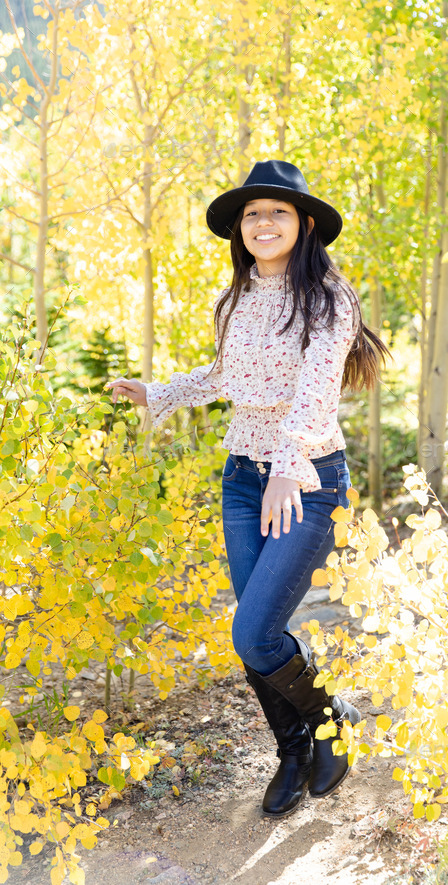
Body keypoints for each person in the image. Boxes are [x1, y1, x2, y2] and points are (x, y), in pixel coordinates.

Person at [105, 160, 392, 818]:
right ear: (240, 229)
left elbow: (319, 387)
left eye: (278, 212)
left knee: (258, 631)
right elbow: (224, 378)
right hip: (243, 477)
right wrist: (161, 392)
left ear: (305, 223)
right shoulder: (234, 297)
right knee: (251, 631)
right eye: (253, 214)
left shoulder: (328, 298)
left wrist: (290, 463)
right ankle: (294, 747)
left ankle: (331, 718)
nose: (264, 223)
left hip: (308, 479)